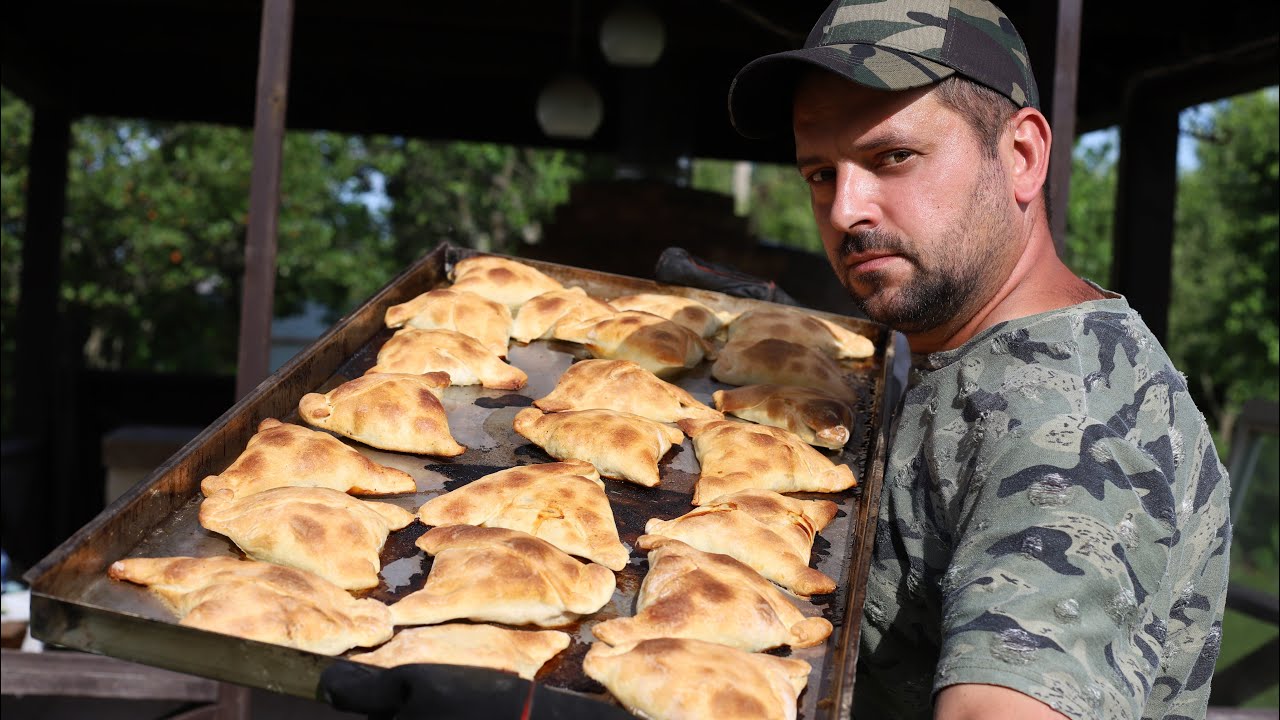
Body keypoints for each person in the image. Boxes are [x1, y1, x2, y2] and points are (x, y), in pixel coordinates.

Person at [728, 1, 1232, 718]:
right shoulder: (967, 349)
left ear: (1021, 156)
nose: (845, 210)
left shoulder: (1077, 432)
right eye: (819, 173)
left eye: (890, 157)